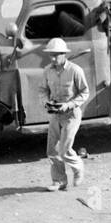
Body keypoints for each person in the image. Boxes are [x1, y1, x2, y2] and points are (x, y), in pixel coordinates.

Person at [42, 37, 89, 191]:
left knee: (64, 150)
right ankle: (59, 181)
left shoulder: (75, 70)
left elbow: (84, 92)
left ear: (64, 54)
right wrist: (46, 102)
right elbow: (43, 90)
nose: (53, 58)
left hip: (71, 115)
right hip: (55, 115)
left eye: (56, 55)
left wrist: (69, 104)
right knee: (52, 150)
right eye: (51, 55)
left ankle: (78, 168)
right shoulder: (47, 71)